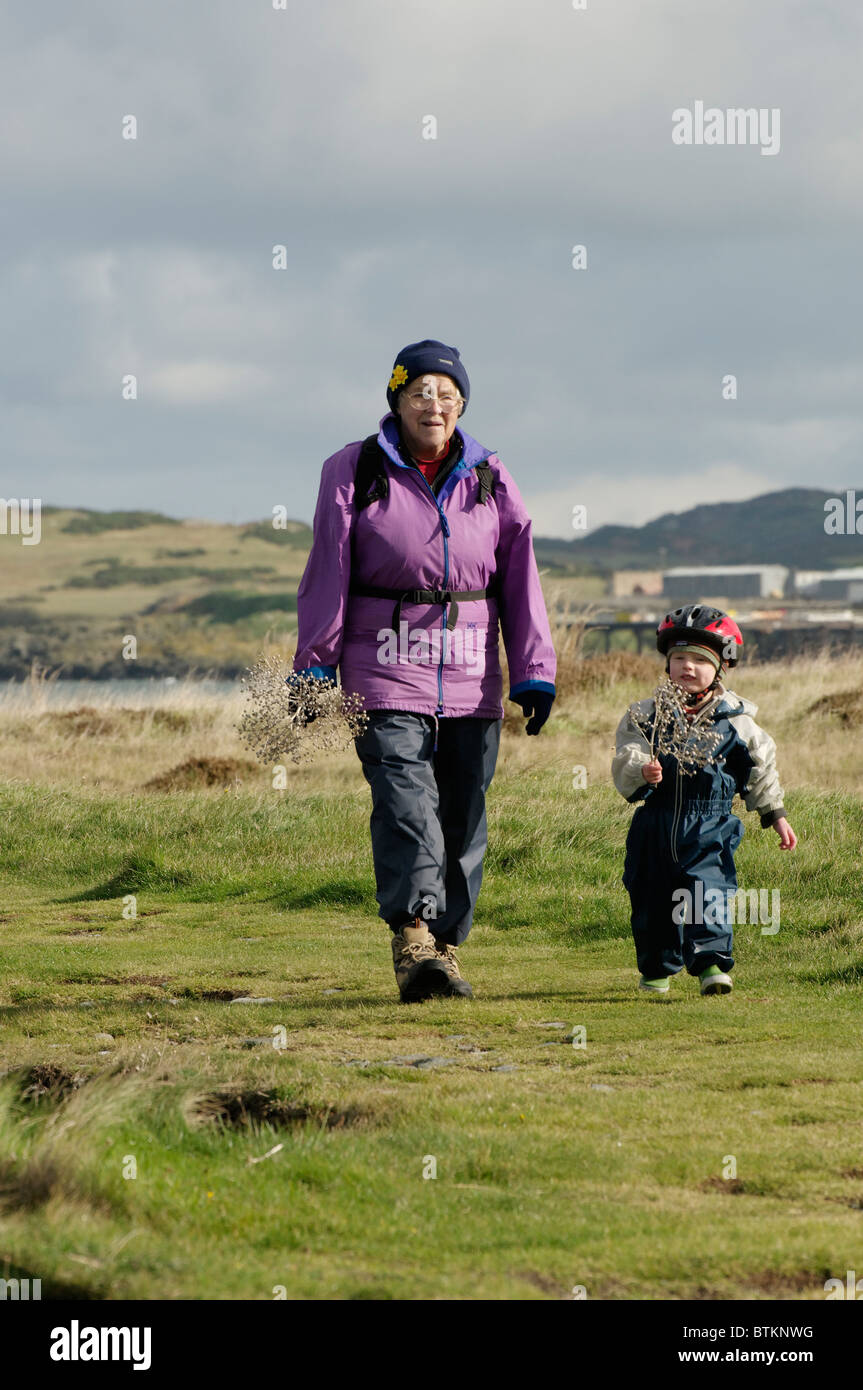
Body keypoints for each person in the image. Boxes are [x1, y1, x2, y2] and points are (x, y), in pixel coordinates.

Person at [293, 339, 557, 1001]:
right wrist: (314, 666)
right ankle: (412, 938)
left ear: (461, 402)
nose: (431, 404)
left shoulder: (490, 474)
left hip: (471, 676)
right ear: (397, 400)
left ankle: (443, 947)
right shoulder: (352, 469)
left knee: (463, 811)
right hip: (383, 668)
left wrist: (533, 670)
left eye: (444, 393)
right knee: (405, 802)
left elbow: (521, 576)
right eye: (417, 392)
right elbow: (328, 569)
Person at [611, 604, 797, 997]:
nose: (687, 667)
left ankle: (711, 964)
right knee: (651, 899)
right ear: (667, 663)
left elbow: (761, 770)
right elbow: (624, 756)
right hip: (654, 824)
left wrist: (775, 814)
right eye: (679, 657)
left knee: (708, 892)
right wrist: (641, 770)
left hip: (710, 824)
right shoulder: (644, 715)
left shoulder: (737, 721)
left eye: (699, 660)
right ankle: (657, 970)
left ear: (721, 667)